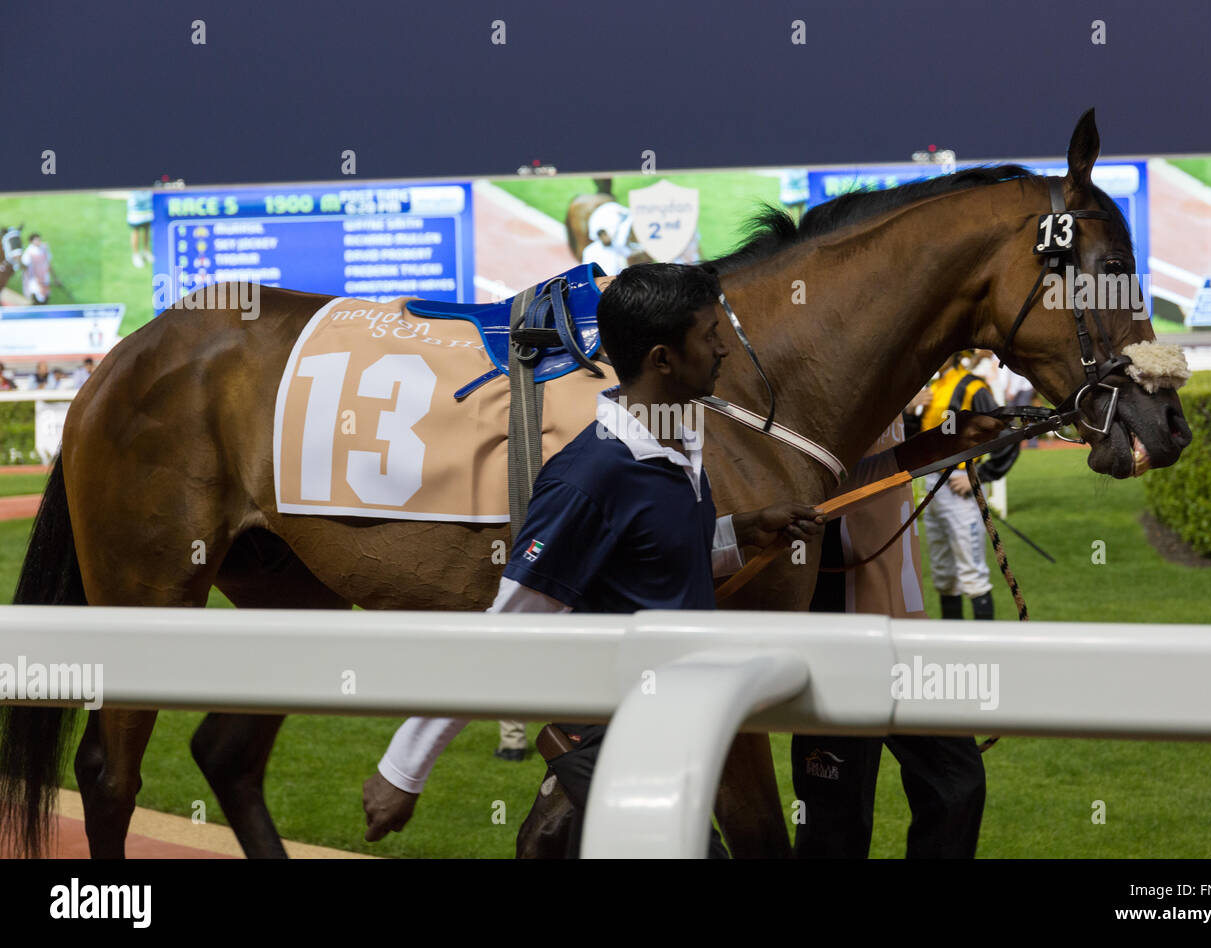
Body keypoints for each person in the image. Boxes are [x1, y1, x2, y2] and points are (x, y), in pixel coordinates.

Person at [362, 263, 825, 856]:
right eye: (710, 335)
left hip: (665, 732)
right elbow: (506, 629)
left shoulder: (675, 441)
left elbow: (645, 564)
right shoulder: (590, 477)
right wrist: (405, 768)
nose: (724, 350)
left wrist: (740, 533)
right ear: (662, 358)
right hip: (613, 747)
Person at [791, 402, 986, 858]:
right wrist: (937, 443)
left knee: (958, 784)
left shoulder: (896, 382)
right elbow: (814, 486)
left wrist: (953, 438)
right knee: (834, 821)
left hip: (907, 638)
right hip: (840, 639)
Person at [919, 352, 1019, 620]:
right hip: (932, 485)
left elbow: (1006, 436)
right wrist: (910, 411)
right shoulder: (934, 387)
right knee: (943, 573)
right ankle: (951, 645)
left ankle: (981, 650)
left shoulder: (972, 386)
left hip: (959, 486)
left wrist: (982, 474)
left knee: (972, 573)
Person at [20, 233, 52, 304]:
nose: (38, 241)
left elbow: (48, 262)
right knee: (35, 294)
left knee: (45, 294)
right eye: (36, 240)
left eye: (39, 240)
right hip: (34, 278)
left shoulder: (43, 249)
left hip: (44, 276)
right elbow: (25, 264)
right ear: (31, 241)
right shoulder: (29, 251)